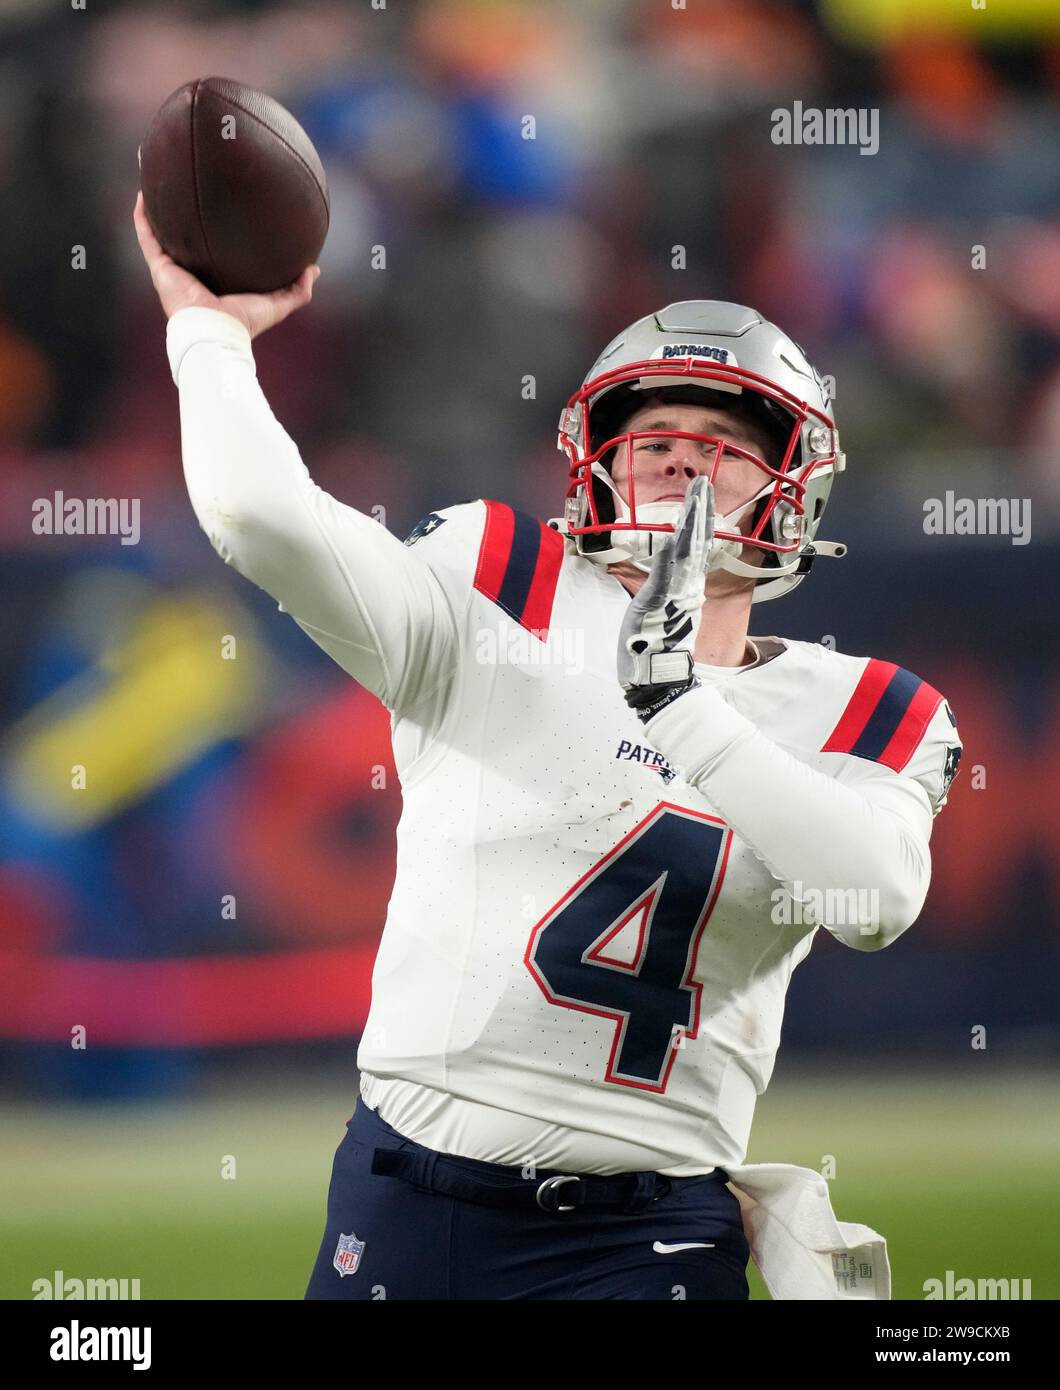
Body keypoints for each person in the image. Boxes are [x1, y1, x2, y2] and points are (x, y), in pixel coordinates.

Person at [134, 195, 963, 1301]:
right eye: (653, 441)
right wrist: (209, 331)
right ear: (596, 465)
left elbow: (874, 900)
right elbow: (261, 517)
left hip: (645, 1230)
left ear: (792, 485)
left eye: (722, 446)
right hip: (407, 1194)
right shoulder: (502, 587)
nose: (683, 467)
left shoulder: (867, 710)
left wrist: (681, 707)